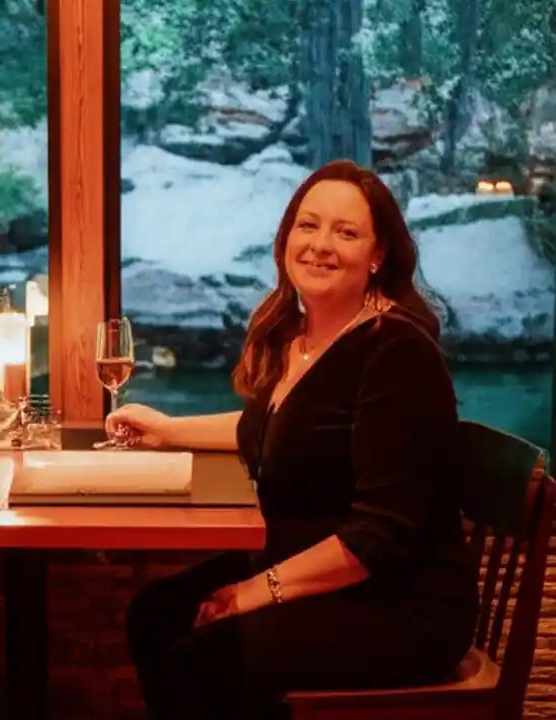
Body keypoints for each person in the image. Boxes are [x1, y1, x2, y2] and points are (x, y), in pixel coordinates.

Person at [111, 160, 478, 718]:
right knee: (155, 614)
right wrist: (166, 429)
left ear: (378, 255)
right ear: (286, 239)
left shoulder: (396, 353)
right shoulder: (304, 340)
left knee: (203, 658)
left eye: (346, 232)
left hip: (397, 603)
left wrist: (252, 592)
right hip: (321, 571)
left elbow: (379, 536)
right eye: (308, 226)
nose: (321, 245)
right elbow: (272, 428)